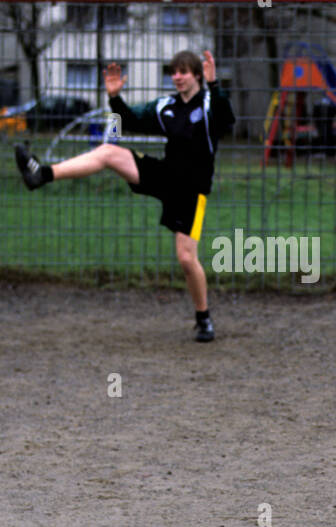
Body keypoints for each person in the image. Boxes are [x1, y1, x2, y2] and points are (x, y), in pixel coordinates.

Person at [16, 50, 234, 342]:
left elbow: (227, 120)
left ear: (197, 74)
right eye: (174, 72)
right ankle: (41, 174)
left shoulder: (209, 104)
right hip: (164, 175)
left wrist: (215, 83)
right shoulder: (166, 106)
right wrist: (115, 99)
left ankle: (203, 318)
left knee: (185, 259)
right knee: (108, 152)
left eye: (183, 71)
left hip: (191, 190)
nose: (177, 77)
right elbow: (126, 121)